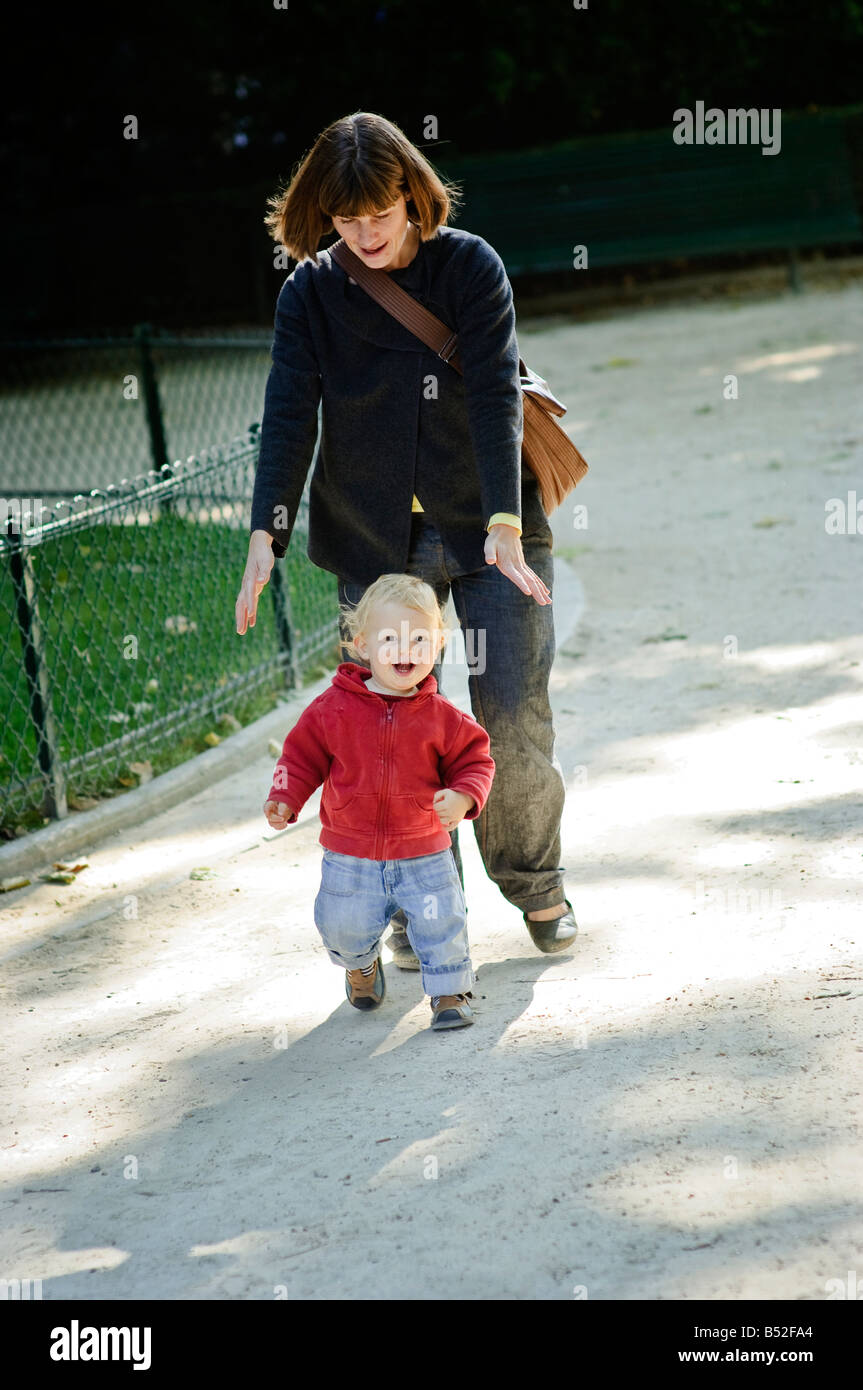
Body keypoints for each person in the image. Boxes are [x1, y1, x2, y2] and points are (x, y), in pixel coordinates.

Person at [237, 110, 577, 964]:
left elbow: (497, 391)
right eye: (344, 221)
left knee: (509, 718)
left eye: (377, 215)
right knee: (387, 736)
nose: (363, 234)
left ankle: (536, 887)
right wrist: (264, 535)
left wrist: (504, 522)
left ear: (409, 195)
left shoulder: (469, 266)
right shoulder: (309, 293)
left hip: (491, 526)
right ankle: (420, 911)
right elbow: (287, 415)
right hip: (373, 544)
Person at [264, 574, 495, 1031]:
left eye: (419, 639)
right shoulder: (333, 709)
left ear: (438, 645)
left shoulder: (443, 718)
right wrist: (285, 796)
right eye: (390, 638)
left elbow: (477, 760)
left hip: (425, 849)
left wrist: (464, 795)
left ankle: (449, 990)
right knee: (341, 925)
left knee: (441, 922)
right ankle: (361, 964)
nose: (405, 649)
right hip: (351, 855)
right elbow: (300, 755)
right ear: (363, 645)